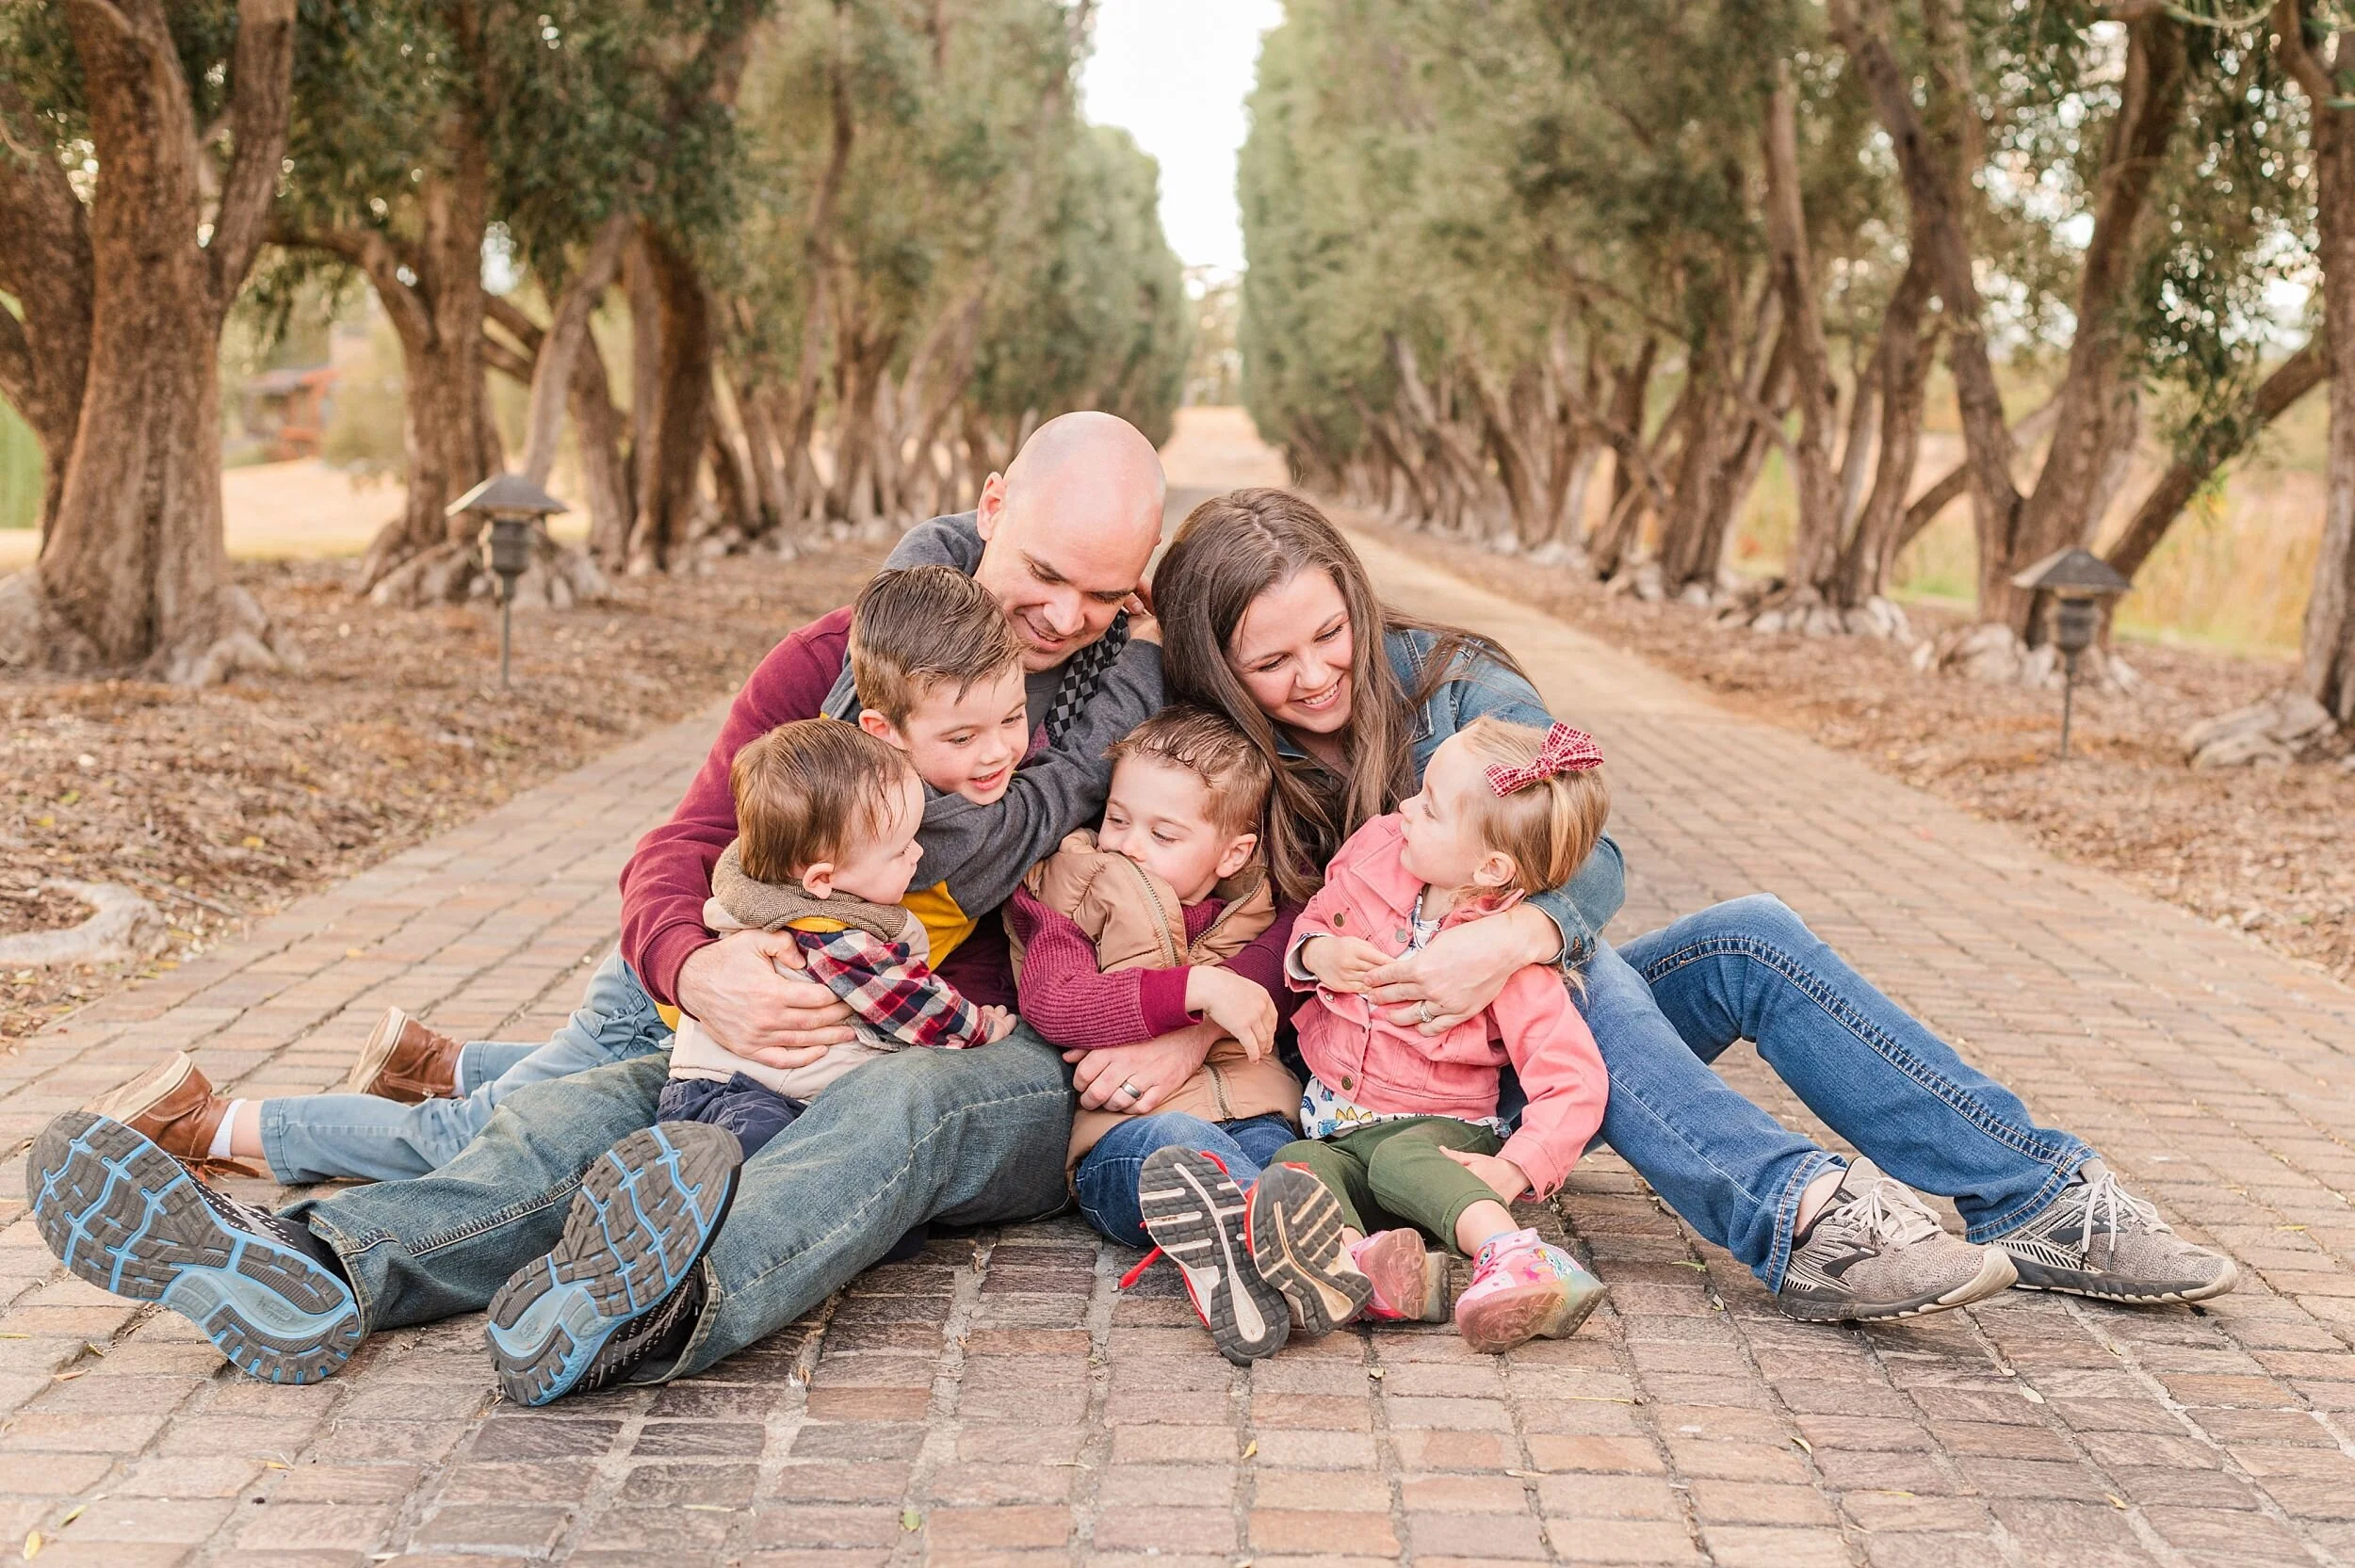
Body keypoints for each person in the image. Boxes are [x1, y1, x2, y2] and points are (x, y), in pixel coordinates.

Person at [30, 411, 1176, 1395]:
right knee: (599, 1109)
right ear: (989, 507)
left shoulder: (1148, 701)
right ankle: (318, 1269)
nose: (1069, 616)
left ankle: (647, 1309)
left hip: (1010, 1054)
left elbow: (1289, 841)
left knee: (896, 1113)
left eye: (1104, 591)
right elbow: (679, 849)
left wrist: (1192, 1041)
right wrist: (697, 969)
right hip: (791, 1035)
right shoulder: (829, 666)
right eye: (1045, 574)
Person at [1151, 488, 2235, 1320]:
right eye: (1272, 660)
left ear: (1353, 594)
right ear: (1217, 664)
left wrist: (1507, 941)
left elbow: (1588, 851)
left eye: (1329, 632)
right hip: (1382, 1101)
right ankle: (1799, 1217)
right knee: (1577, 972)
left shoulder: (1453, 687)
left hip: (1509, 1040)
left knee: (1735, 938)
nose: (1315, 674)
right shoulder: (1214, 759)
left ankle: (2039, 1199)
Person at [1251, 717, 1614, 1357]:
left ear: (1491, 865)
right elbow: (1318, 914)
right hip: (1340, 1130)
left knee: (1400, 1159)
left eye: (1429, 807)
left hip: (1439, 1133)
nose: (1404, 808)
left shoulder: (1504, 962)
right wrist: (1318, 954)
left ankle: (1520, 1259)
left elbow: (1574, 1078)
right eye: (1418, 792)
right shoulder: (1376, 860)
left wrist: (1515, 1167)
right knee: (1295, 1165)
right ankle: (1370, 1273)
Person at [1000, 705, 1303, 1362]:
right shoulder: (1077, 886)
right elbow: (1057, 1000)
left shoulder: (1260, 906)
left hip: (1253, 1110)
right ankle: (1275, 1242)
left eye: (1163, 833)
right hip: (1126, 1138)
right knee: (1179, 1147)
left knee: (1297, 1166)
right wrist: (1198, 989)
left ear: (1234, 853)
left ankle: (1260, 1258)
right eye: (1116, 817)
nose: (1127, 844)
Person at [658, 717, 1015, 1155]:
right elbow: (910, 1002)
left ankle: (678, 1193)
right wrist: (981, 1028)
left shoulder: (772, 886)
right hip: (743, 1097)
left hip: (766, 1090)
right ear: (823, 879)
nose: (917, 853)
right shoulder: (836, 938)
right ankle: (666, 1187)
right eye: (900, 848)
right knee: (763, 1162)